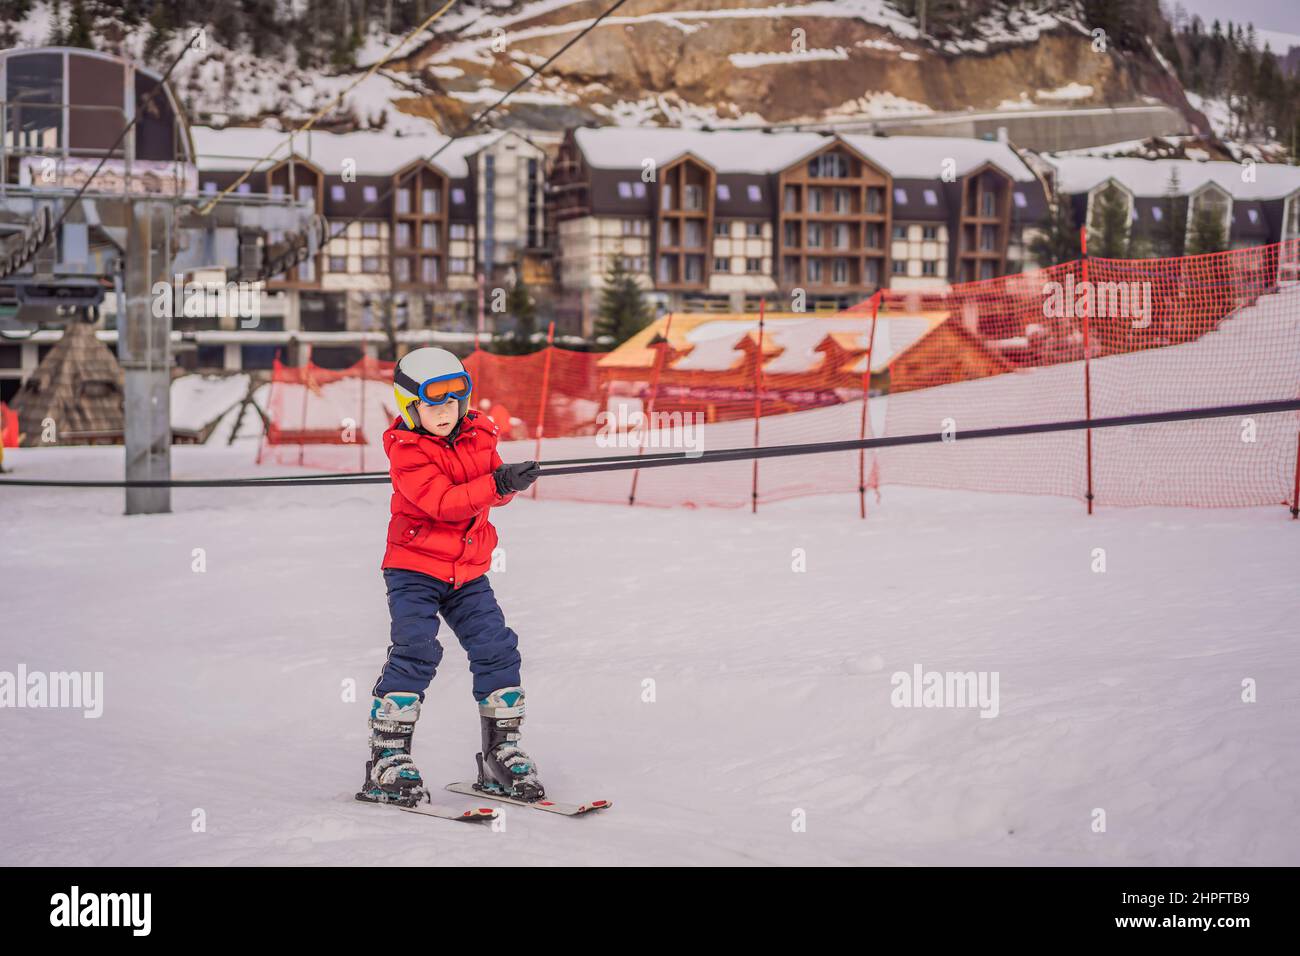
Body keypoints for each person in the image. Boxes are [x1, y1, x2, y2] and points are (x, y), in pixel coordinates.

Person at [356, 347, 543, 807]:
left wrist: (506, 482)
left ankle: (502, 752)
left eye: (452, 402)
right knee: (417, 649)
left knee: (496, 647)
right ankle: (388, 758)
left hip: (467, 571)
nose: (444, 413)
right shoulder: (407, 451)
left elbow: (483, 496)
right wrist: (495, 485)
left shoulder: (479, 434)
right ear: (409, 406)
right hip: (414, 568)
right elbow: (442, 503)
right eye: (432, 404)